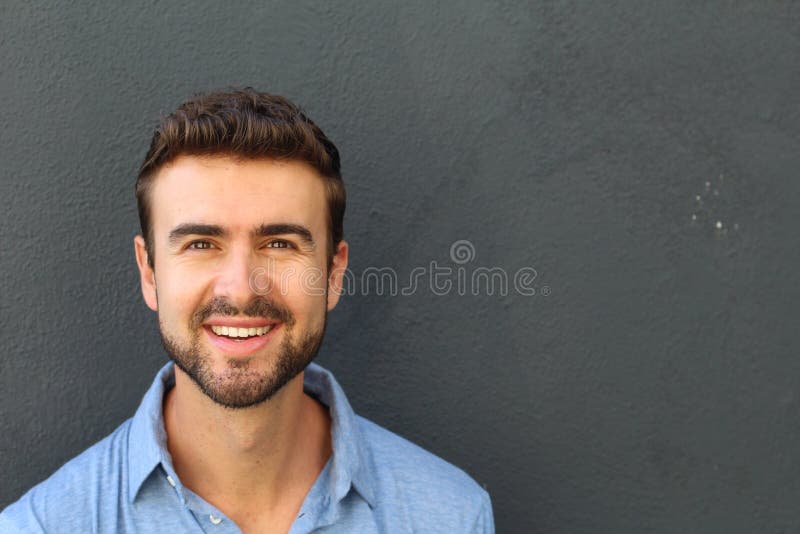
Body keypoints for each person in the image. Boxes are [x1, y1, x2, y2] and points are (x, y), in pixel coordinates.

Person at [0, 88, 494, 533]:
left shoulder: (450, 517)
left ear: (334, 274)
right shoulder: (43, 526)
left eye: (279, 243)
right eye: (200, 244)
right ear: (149, 273)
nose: (240, 289)